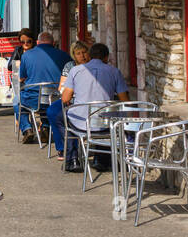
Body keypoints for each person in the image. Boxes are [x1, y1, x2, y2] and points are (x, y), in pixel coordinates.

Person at [48, 42, 129, 170]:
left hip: (81, 123)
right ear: (106, 57)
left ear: (90, 55)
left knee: (65, 120)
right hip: (106, 124)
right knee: (105, 118)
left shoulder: (75, 70)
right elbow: (124, 100)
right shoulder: (114, 71)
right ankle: (102, 158)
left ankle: (72, 159)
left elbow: (65, 98)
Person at [16, 30, 71, 143]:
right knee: (46, 103)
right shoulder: (64, 55)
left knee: (18, 101)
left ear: (37, 42)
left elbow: (21, 77)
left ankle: (27, 129)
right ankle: (45, 127)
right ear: (53, 42)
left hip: (34, 99)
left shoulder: (27, 55)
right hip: (57, 99)